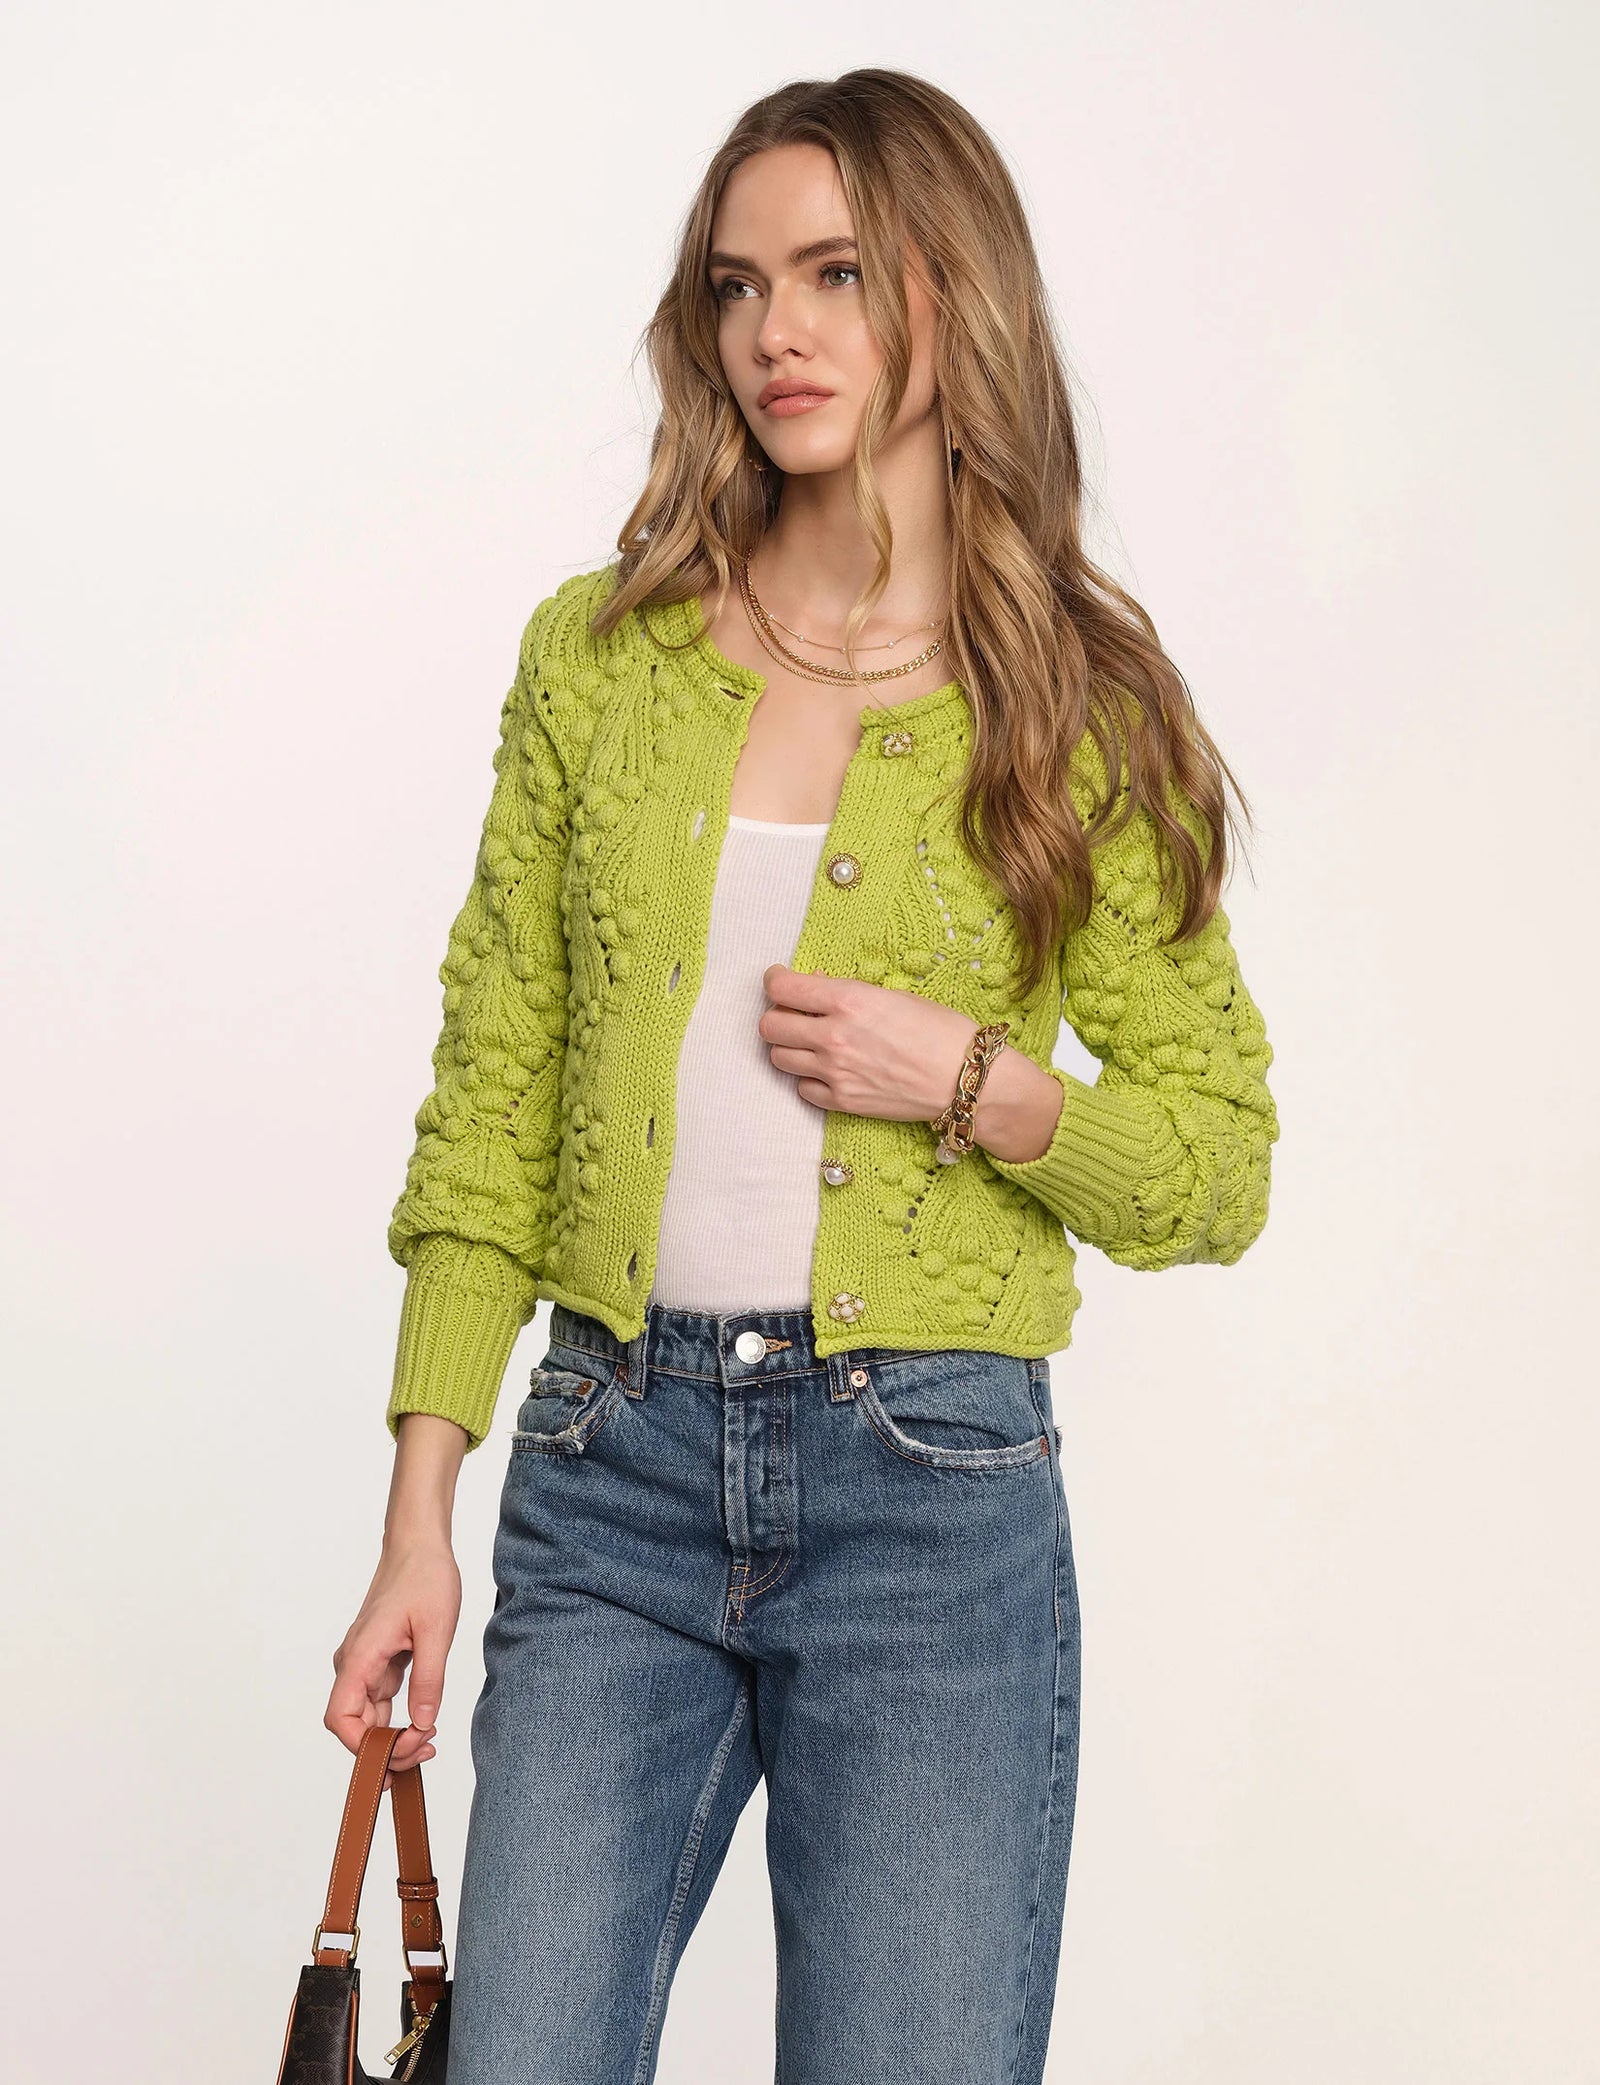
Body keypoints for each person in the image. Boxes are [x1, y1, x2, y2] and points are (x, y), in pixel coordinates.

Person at [325, 67, 1279, 2085]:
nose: (780, 330)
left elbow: (1217, 1161)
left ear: (952, 292)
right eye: (740, 284)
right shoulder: (601, 659)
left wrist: (978, 1081)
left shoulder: (1073, 706)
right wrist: (422, 1511)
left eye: (837, 273)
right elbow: (492, 1099)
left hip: (928, 1487)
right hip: (608, 1466)